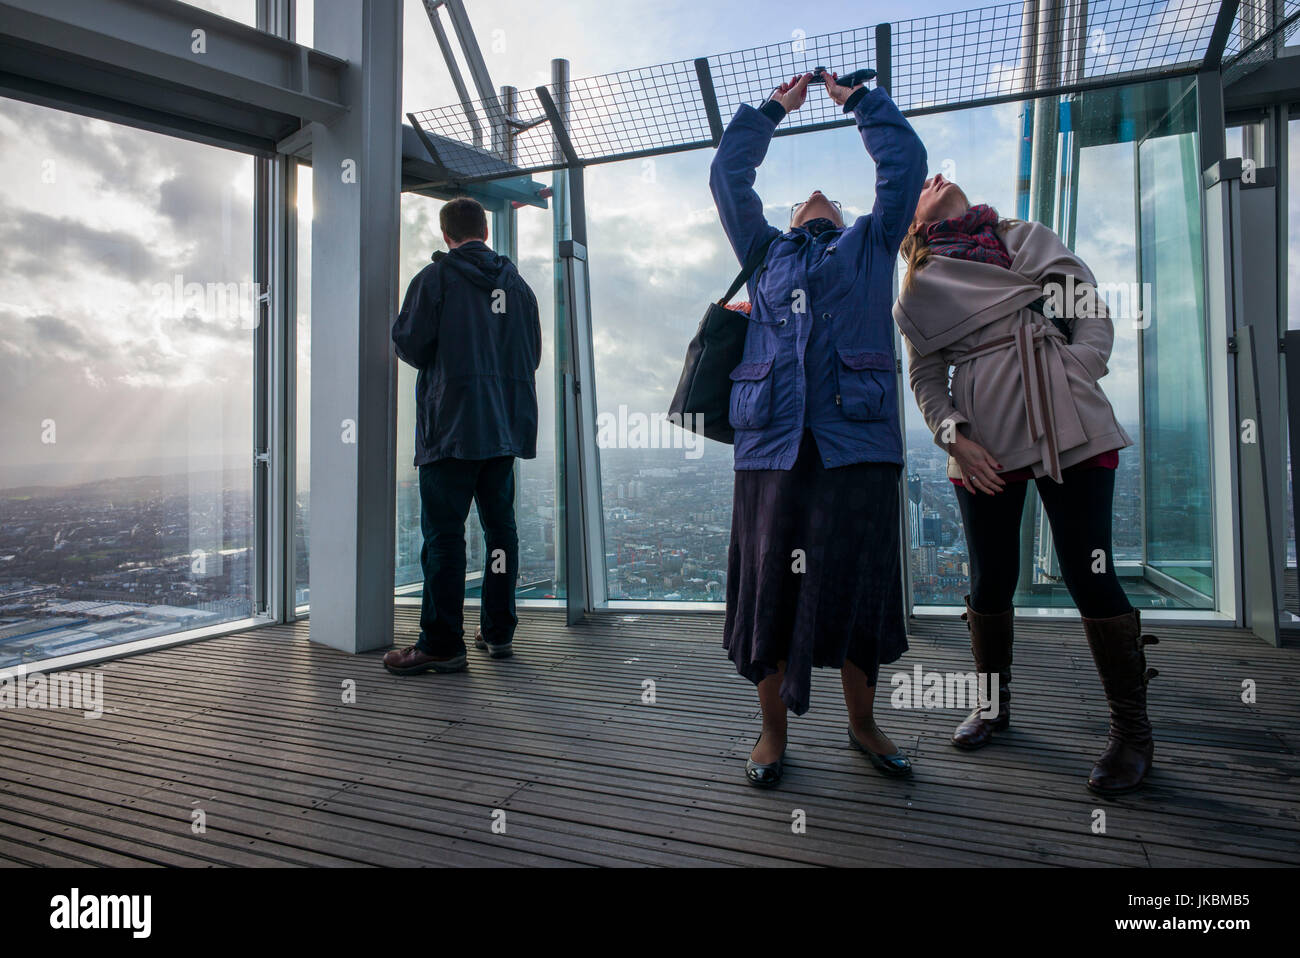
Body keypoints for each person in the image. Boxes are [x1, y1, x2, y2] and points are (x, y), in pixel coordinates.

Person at [893, 174, 1158, 794]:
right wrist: (954, 434)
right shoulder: (920, 286)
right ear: (913, 226)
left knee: (1089, 573)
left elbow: (1087, 311)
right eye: (919, 188)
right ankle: (993, 704)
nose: (932, 178)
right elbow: (927, 377)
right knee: (990, 575)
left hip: (1068, 414)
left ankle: (1132, 731)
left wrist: (1078, 366)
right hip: (983, 437)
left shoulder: (1027, 237)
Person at [710, 71, 926, 787]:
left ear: (842, 210)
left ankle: (862, 724)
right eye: (804, 197)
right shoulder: (764, 251)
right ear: (789, 211)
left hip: (854, 446)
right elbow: (727, 172)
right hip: (771, 448)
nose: (815, 197)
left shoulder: (870, 243)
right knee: (772, 589)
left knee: (858, 587)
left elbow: (904, 166)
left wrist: (858, 102)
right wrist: (774, 108)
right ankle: (771, 733)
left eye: (825, 197)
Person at [384, 197, 542, 676]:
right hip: (501, 431)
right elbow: (529, 357)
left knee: (445, 539)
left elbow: (409, 343)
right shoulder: (518, 288)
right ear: (487, 232)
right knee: (501, 534)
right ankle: (497, 633)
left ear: (445, 234)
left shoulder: (434, 280)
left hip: (449, 430)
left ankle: (441, 643)